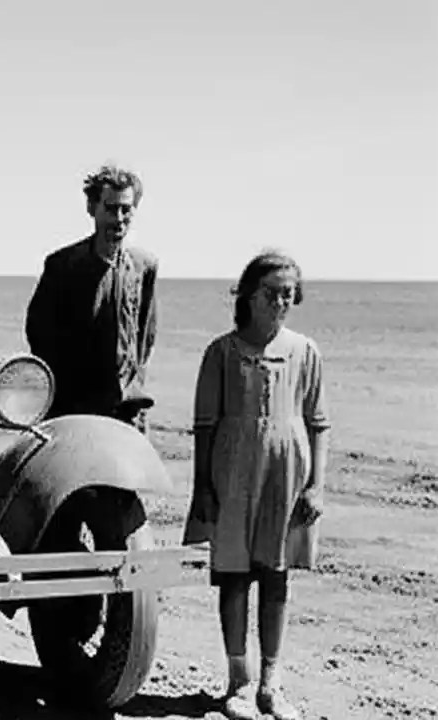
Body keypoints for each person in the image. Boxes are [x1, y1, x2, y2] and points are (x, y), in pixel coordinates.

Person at [182, 251, 331, 720]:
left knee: (276, 574)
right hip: (231, 472)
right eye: (271, 293)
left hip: (288, 474)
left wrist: (316, 487)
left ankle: (272, 683)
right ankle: (238, 683)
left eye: (288, 294)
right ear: (248, 295)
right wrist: (201, 485)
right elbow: (205, 426)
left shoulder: (305, 352)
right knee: (233, 576)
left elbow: (318, 423)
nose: (280, 302)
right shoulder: (221, 353)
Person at [24, 163, 158, 430]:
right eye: (110, 209)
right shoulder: (62, 266)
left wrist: (133, 384)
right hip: (73, 410)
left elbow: (145, 336)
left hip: (126, 411)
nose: (118, 218)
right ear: (92, 208)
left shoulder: (144, 266)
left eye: (126, 209)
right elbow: (39, 334)